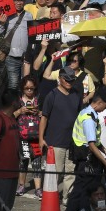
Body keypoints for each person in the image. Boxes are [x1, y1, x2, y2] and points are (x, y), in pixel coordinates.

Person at [64, 86, 106, 211]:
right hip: (87, 163)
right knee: (83, 192)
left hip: (88, 160)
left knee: (84, 192)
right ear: (99, 102)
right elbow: (91, 145)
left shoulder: (89, 113)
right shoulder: (88, 119)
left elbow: (96, 142)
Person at [40, 67, 83, 201]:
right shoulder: (51, 95)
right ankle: (50, 197)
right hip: (55, 141)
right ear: (60, 79)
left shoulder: (76, 94)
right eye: (67, 79)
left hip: (72, 141)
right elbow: (44, 118)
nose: (70, 82)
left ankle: (67, 199)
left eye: (72, 80)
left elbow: (79, 116)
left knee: (70, 172)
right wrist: (41, 138)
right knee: (55, 172)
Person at [0, 0, 33, 88]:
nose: (18, 3)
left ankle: (22, 102)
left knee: (26, 84)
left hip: (26, 57)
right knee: (13, 84)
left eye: (21, 0)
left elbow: (32, 35)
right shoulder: (6, 16)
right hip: (11, 56)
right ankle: (14, 103)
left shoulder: (29, 16)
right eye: (16, 0)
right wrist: (1, 24)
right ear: (11, 1)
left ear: (25, 1)